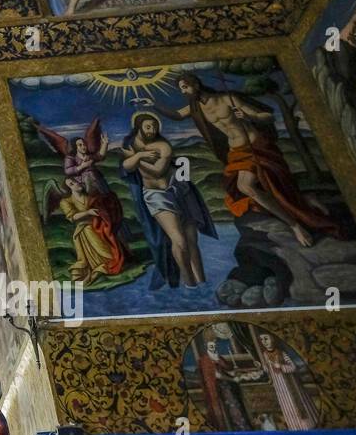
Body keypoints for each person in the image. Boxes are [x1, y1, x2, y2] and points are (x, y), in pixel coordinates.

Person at [137, 73, 343, 247]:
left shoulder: (228, 99)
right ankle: (307, 200)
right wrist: (154, 104)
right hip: (236, 152)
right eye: (181, 89)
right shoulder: (195, 108)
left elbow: (267, 116)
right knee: (268, 188)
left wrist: (248, 116)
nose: (184, 92)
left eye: (185, 87)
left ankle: (295, 225)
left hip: (255, 146)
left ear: (196, 84)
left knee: (246, 187)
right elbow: (175, 115)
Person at [118, 111, 216, 287]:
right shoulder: (131, 144)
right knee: (179, 241)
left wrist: (135, 157)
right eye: (148, 126)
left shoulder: (163, 145)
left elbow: (158, 170)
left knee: (192, 240)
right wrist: (139, 156)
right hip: (157, 196)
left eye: (155, 126)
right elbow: (125, 167)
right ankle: (190, 283)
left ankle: (202, 282)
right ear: (139, 127)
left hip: (180, 192)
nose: (152, 129)